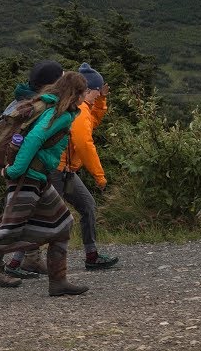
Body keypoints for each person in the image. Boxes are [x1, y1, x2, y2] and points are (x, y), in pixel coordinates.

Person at [0, 70, 90, 303]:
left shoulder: (52, 106)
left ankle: (58, 281)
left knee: (64, 223)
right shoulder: (60, 115)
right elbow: (34, 139)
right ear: (76, 94)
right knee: (8, 232)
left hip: (38, 178)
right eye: (84, 92)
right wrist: (15, 171)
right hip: (27, 178)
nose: (86, 96)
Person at [0, 59, 63, 288]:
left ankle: (31, 258)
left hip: (20, 166)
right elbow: (34, 140)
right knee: (10, 221)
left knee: (32, 212)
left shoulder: (21, 100)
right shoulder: (39, 106)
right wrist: (18, 169)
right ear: (51, 83)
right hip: (24, 169)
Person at [55, 62, 120, 270]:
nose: (98, 94)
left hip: (66, 172)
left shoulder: (84, 108)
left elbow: (92, 122)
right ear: (87, 90)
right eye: (97, 91)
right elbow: (84, 144)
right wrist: (99, 176)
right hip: (56, 171)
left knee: (87, 206)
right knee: (44, 216)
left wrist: (101, 101)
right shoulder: (80, 110)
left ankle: (92, 255)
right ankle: (17, 260)